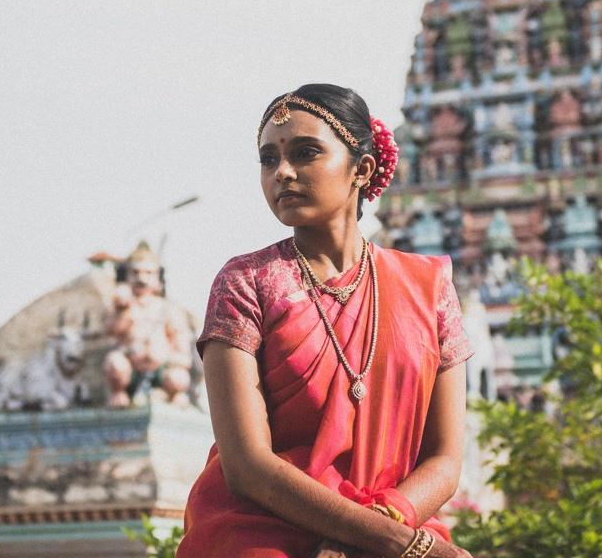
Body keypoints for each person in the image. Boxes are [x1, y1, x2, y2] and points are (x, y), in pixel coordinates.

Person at [178, 84, 475, 558]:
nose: (283, 172)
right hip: (265, 535)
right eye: (268, 159)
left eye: (305, 152)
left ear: (363, 169)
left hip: (398, 522)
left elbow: (444, 460)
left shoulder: (428, 286)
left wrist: (368, 535)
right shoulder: (246, 282)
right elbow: (247, 466)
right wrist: (399, 543)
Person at [102, 241, 194, 407]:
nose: (141, 279)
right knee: (114, 364)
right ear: (126, 276)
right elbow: (109, 332)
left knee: (178, 378)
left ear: (158, 278)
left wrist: (162, 356)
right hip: (129, 367)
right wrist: (122, 311)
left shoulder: (168, 308)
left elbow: (184, 355)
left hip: (161, 367)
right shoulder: (120, 306)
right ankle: (119, 393)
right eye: (135, 273)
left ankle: (171, 395)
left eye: (148, 273)